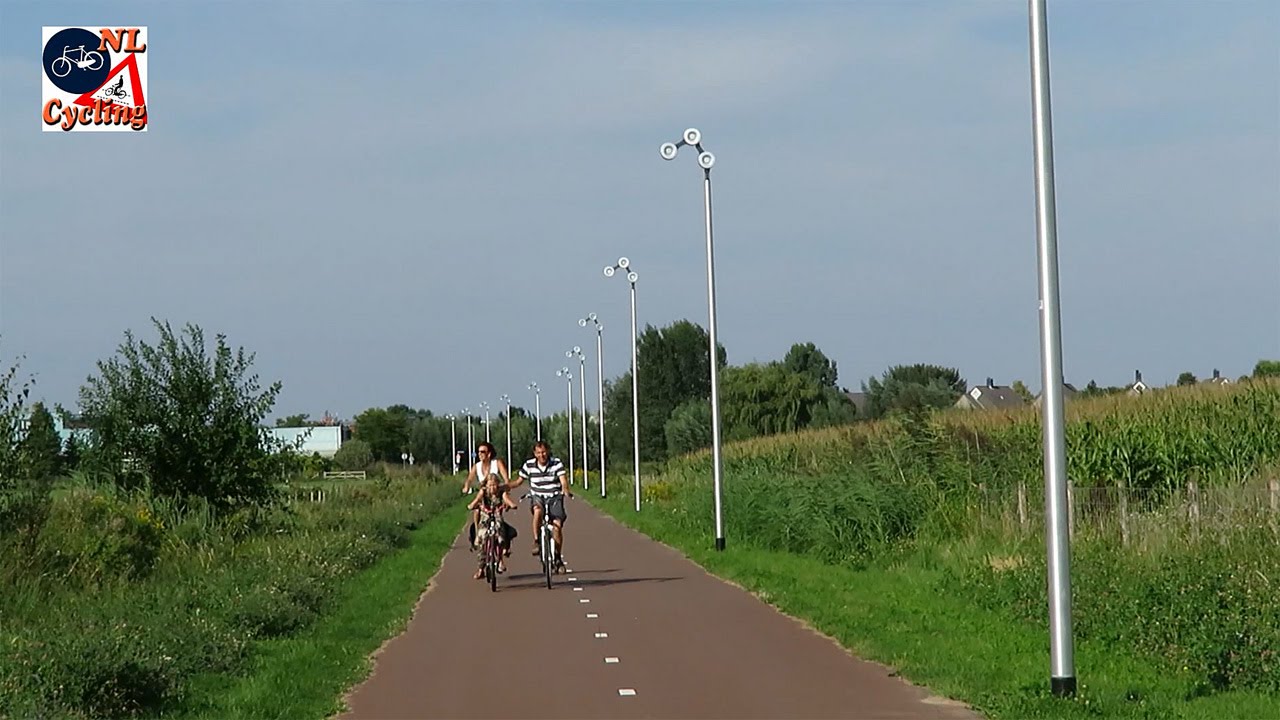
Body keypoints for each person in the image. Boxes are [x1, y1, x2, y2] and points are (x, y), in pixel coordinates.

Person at [514, 440, 570, 572]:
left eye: (544, 452)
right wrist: (504, 487)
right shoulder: (529, 465)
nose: (541, 455)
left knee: (557, 526)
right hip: (538, 496)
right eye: (538, 453)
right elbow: (518, 481)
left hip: (554, 496)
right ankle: (536, 541)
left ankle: (557, 557)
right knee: (537, 511)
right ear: (534, 453)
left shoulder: (556, 463)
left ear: (548, 451)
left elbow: (563, 480)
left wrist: (565, 489)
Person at [467, 473, 518, 579]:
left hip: (497, 516)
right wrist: (473, 504)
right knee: (482, 538)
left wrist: (511, 504)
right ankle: (481, 569)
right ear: (486, 485)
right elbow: (477, 500)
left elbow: (506, 499)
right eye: (490, 485)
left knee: (500, 534)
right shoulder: (483, 492)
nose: (492, 487)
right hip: (486, 516)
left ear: (498, 485)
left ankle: (500, 560)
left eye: (494, 485)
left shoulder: (501, 492)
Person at [462, 442, 510, 549]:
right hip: (483, 495)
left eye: (482, 452)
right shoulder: (477, 466)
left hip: (496, 494)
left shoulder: (496, 463)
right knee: (477, 510)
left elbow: (506, 479)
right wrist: (466, 487)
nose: (480, 454)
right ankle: (477, 533)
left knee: (498, 518)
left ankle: (503, 547)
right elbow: (469, 478)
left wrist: (505, 489)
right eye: (478, 452)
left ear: (489, 454)